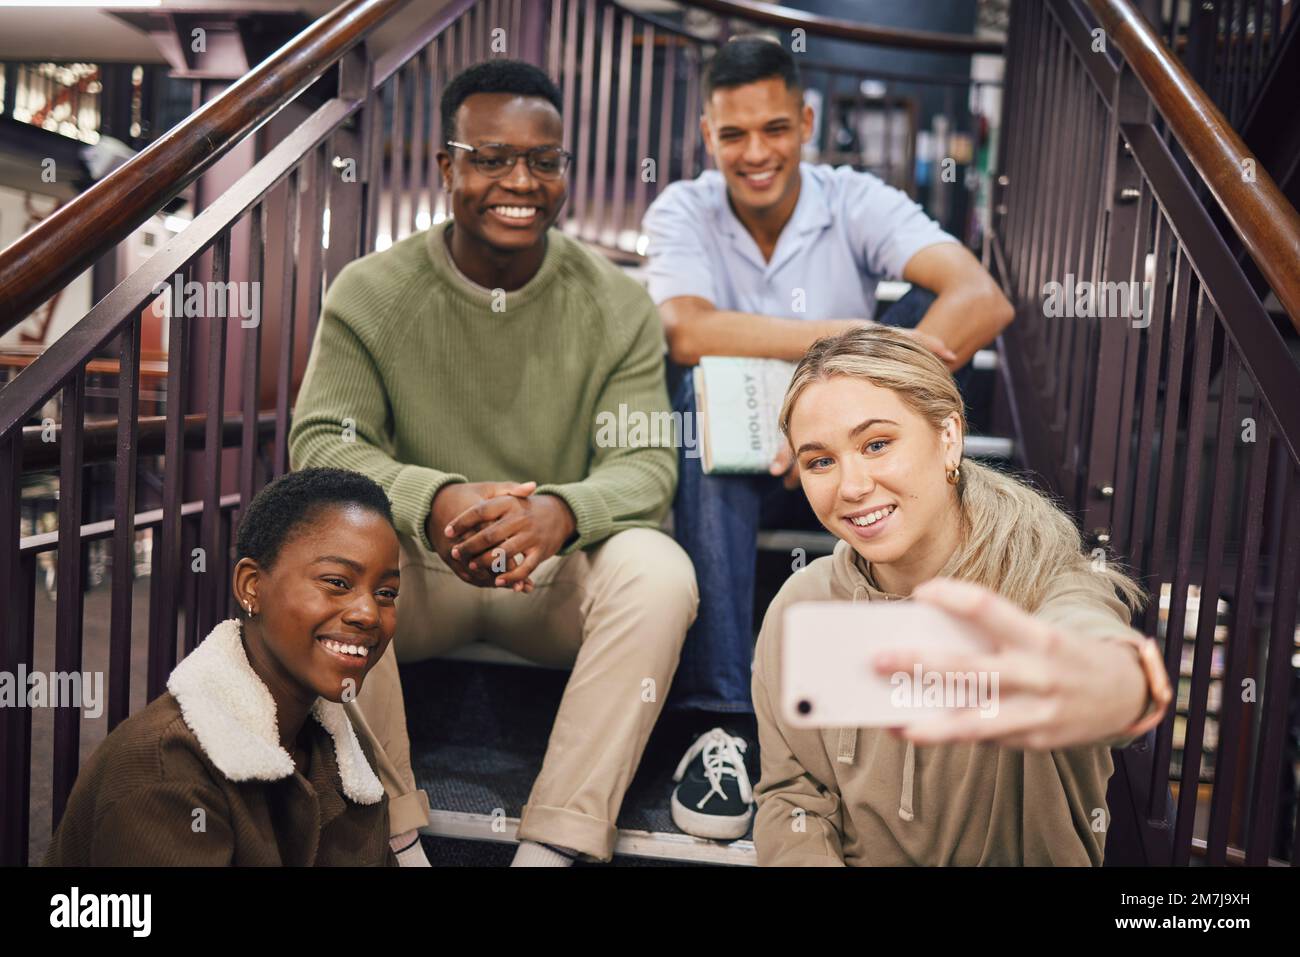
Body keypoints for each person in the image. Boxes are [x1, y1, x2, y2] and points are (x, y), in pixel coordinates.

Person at [289, 59, 698, 867]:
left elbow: (647, 461)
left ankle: (556, 842)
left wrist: (561, 512)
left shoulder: (617, 302)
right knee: (323, 542)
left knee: (660, 570)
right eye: (491, 157)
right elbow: (324, 441)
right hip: (415, 575)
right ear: (447, 166)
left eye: (544, 160)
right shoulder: (370, 292)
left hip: (551, 577)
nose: (521, 181)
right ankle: (392, 834)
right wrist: (434, 499)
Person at [641, 35, 1015, 838]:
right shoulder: (683, 207)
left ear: (806, 122)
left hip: (846, 455)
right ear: (708, 136)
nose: (756, 152)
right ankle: (724, 722)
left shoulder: (851, 196)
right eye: (734, 134)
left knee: (924, 312)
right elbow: (685, 330)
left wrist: (835, 414)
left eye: (775, 128)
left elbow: (981, 299)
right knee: (694, 400)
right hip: (736, 455)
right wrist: (835, 346)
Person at [749, 326, 1172, 865]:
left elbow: (1098, 650)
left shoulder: (1047, 582)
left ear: (948, 436)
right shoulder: (802, 607)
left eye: (877, 444)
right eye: (820, 461)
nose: (851, 486)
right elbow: (793, 799)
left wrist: (1104, 684)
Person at [44, 468, 402, 866]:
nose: (369, 613)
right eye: (337, 582)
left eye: (386, 592)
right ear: (251, 586)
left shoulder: (344, 749)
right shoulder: (165, 770)